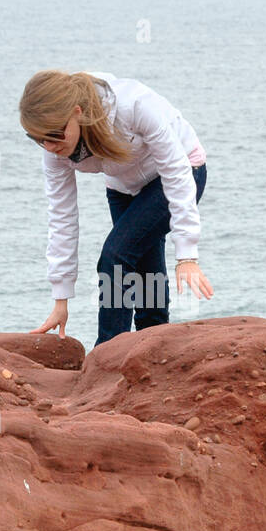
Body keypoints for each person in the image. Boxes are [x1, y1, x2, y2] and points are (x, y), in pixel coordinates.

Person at [20, 70, 213, 347]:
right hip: (124, 188)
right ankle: (155, 349)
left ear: (77, 112)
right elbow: (62, 217)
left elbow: (175, 170)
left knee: (116, 256)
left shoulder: (132, 106)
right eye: (38, 139)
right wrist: (60, 300)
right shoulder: (54, 150)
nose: (49, 147)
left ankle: (108, 352)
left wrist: (187, 256)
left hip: (183, 171)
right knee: (146, 274)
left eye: (54, 135)